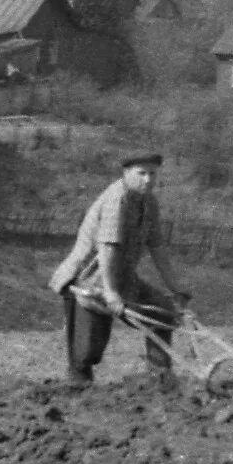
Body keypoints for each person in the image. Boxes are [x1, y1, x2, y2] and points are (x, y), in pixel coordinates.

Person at [49, 150, 192, 386]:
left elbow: (157, 247)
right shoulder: (118, 200)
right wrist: (111, 293)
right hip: (89, 278)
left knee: (163, 312)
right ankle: (77, 389)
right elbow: (108, 249)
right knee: (87, 352)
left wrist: (176, 288)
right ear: (126, 173)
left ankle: (159, 376)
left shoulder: (149, 202)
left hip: (121, 276)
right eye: (141, 173)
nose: (148, 180)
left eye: (152, 174)